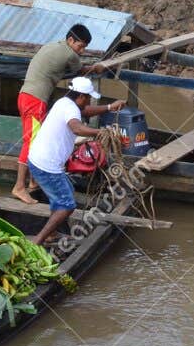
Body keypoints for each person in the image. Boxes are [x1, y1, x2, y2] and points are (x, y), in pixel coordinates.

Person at [11, 23, 115, 205]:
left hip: (26, 96)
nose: (81, 51)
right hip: (35, 100)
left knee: (34, 138)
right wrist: (98, 68)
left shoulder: (52, 45)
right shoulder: (69, 54)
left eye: (84, 48)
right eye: (80, 46)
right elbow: (83, 72)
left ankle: (33, 182)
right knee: (31, 142)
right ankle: (19, 187)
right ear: (70, 40)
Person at [25, 76, 124, 246]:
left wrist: (109, 107)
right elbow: (77, 128)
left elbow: (84, 111)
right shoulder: (70, 109)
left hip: (38, 159)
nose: (89, 101)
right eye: (88, 98)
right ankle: (38, 240)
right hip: (47, 166)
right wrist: (101, 132)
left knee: (65, 193)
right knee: (67, 205)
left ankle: (51, 233)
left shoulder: (64, 102)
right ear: (81, 97)